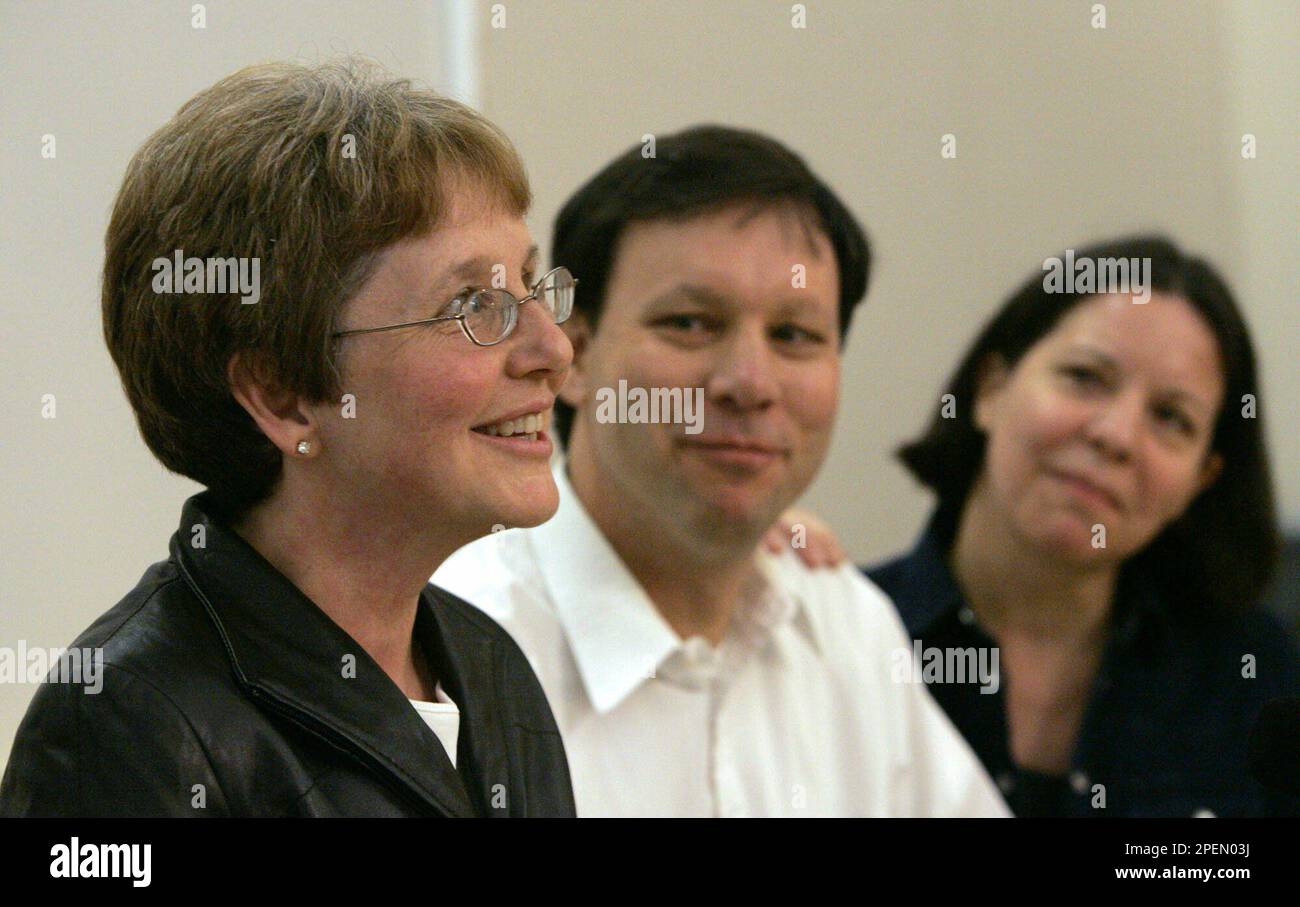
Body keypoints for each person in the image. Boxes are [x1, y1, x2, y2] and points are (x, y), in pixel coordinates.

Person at [0, 59, 577, 817]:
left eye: (532, 288)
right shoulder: (122, 721)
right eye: (473, 304)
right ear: (284, 396)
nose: (554, 350)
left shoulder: (489, 665)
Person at [434, 125, 1009, 817]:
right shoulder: (450, 646)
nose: (749, 382)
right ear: (574, 354)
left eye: (795, 335)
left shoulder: (845, 624)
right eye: (690, 322)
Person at [867, 235, 1300, 816]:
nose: (1116, 435)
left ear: (1201, 481)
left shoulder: (1257, 681)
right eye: (1086, 377)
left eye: (1171, 418)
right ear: (991, 387)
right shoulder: (837, 635)